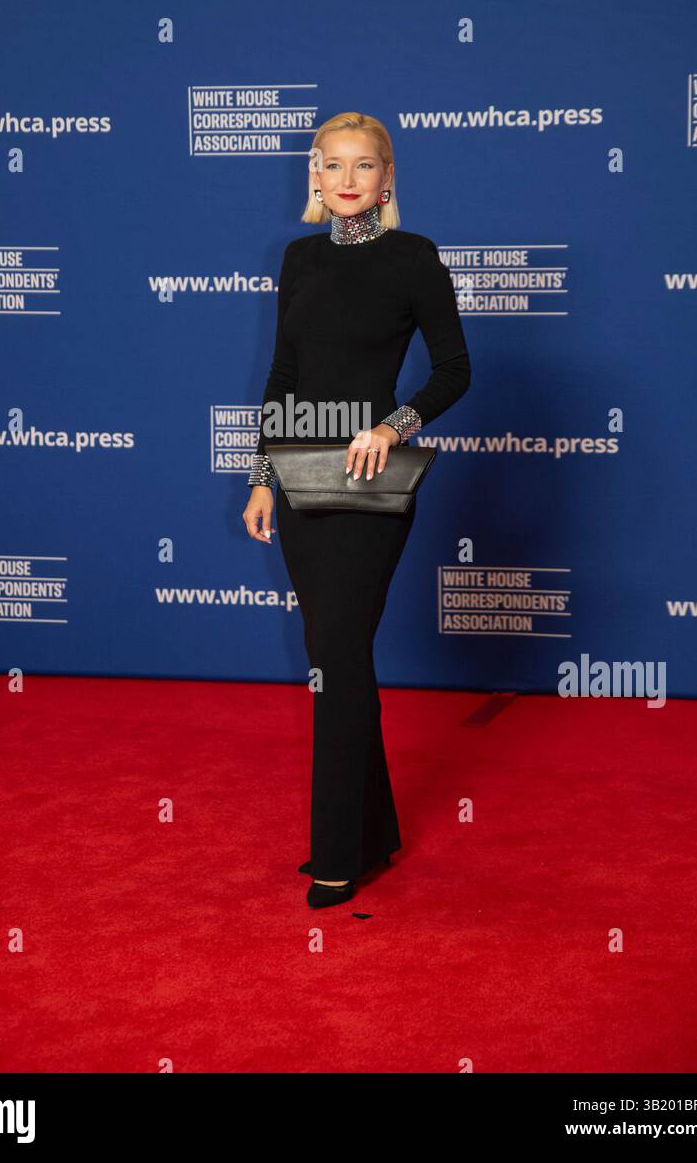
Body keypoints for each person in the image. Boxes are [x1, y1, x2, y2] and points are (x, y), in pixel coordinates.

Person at [242, 112, 471, 908]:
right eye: (332, 164)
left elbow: (453, 370)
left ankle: (337, 851)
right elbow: (282, 377)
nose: (347, 179)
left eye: (363, 166)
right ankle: (371, 833)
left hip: (372, 486)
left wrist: (392, 425)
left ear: (386, 179)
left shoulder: (414, 257)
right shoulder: (299, 257)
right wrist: (262, 475)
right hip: (301, 485)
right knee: (336, 659)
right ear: (314, 175)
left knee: (338, 654)